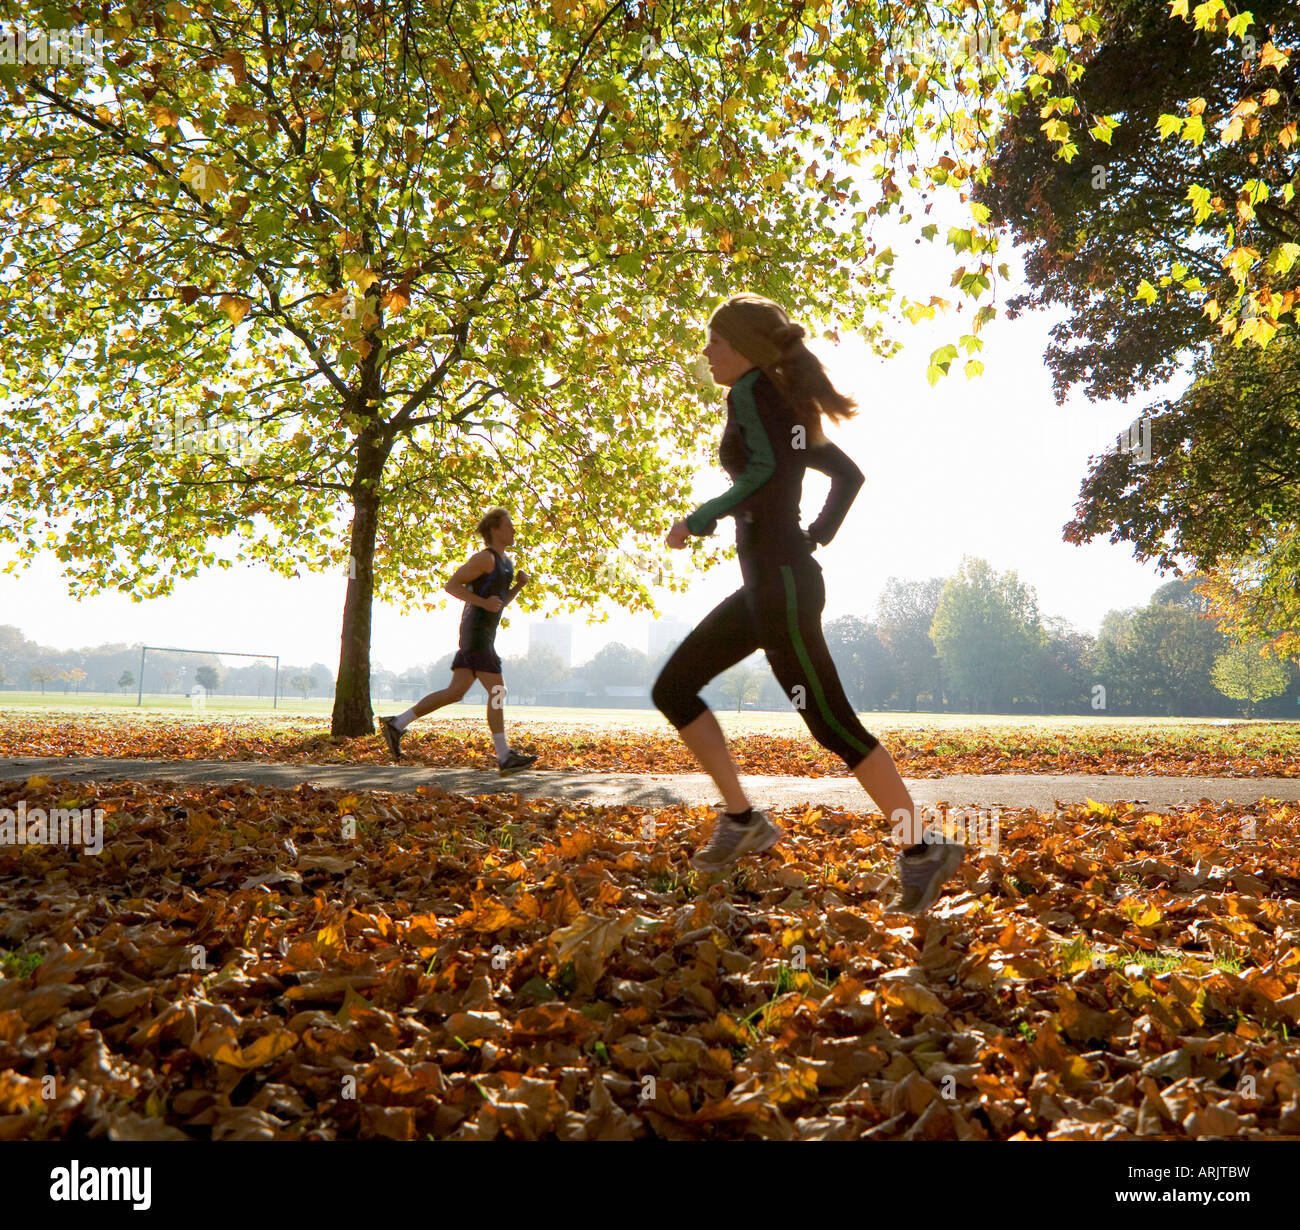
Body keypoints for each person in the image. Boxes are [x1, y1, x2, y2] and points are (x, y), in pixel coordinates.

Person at [652, 293, 964, 913]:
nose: (706, 351)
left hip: (783, 588)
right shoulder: (784, 402)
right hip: (775, 585)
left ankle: (921, 848)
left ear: (743, 345)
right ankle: (741, 819)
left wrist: (701, 517)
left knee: (832, 724)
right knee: (675, 687)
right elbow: (847, 476)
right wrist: (815, 536)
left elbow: (764, 473)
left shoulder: (751, 394)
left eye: (715, 340)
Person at [378, 507, 539, 776]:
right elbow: (452, 586)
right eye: (509, 525)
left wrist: (517, 587)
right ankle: (504, 756)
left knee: (455, 693)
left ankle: (396, 724)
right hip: (475, 633)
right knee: (499, 691)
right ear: (494, 530)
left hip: (484, 633)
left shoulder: (505, 563)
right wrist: (482, 602)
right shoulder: (484, 559)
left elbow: (496, 606)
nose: (514, 529)